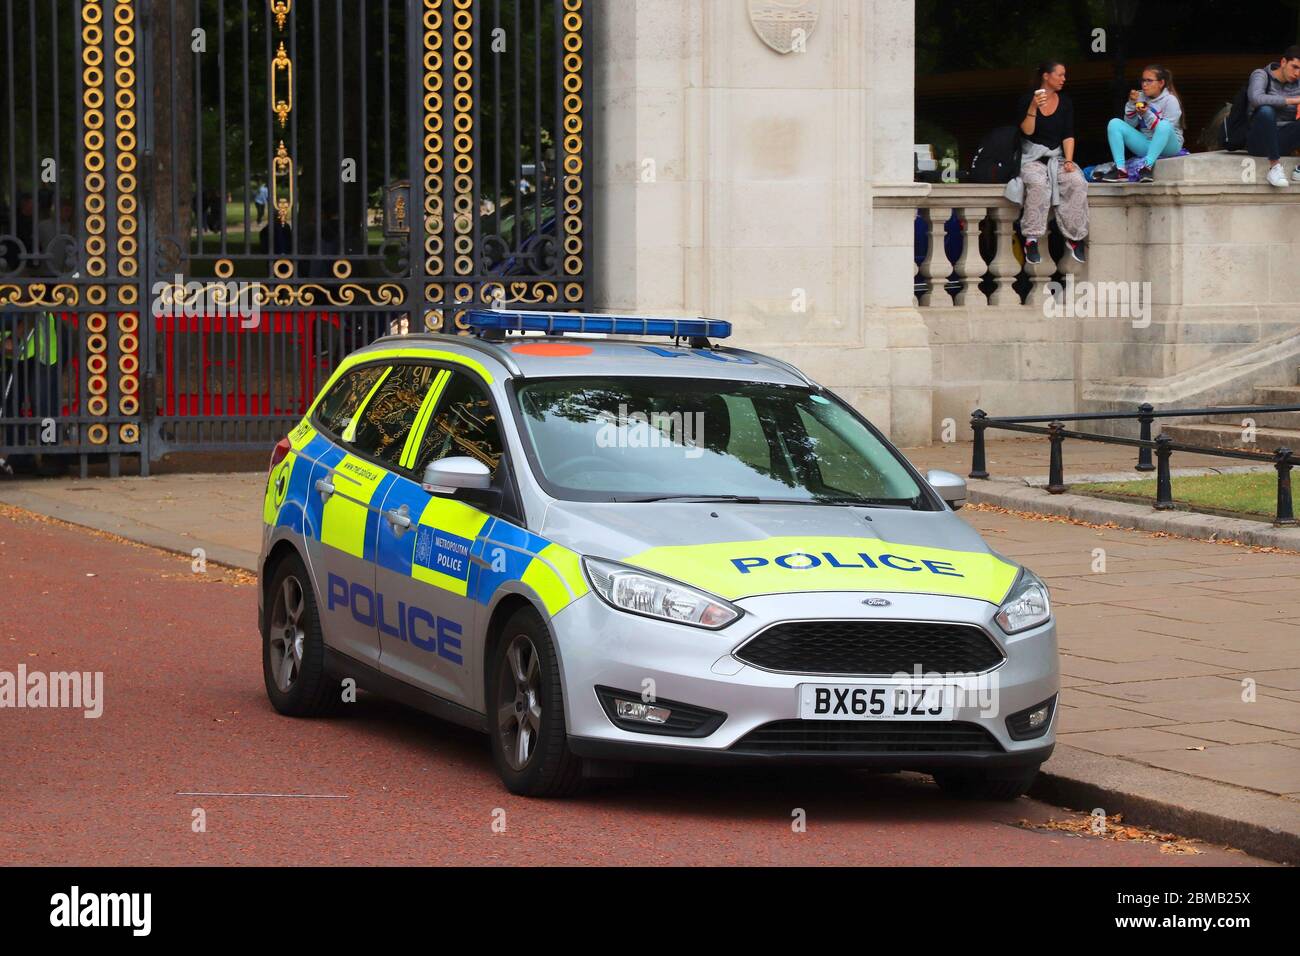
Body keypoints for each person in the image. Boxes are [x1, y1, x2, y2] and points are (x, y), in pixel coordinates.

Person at [1008, 60, 1088, 265]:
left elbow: (1068, 134)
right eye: (1059, 75)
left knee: (1076, 181)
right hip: (1032, 158)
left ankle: (1074, 237)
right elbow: (1027, 131)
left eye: (1064, 75)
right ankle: (1032, 239)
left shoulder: (1066, 102)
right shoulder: (1027, 99)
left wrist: (1069, 160)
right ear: (1046, 76)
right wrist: (1033, 106)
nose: (1063, 79)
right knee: (1038, 184)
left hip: (1057, 157)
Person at [1100, 65, 1184, 183]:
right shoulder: (1139, 97)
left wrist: (1146, 114)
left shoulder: (1170, 100)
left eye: (1149, 81)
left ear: (1161, 83)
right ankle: (1120, 170)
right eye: (1143, 80)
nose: (1144, 84)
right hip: (1146, 143)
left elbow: (1162, 130)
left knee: (1164, 124)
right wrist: (1131, 103)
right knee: (1114, 123)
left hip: (1169, 146)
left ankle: (1147, 167)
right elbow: (1130, 124)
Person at [1246, 45, 1300, 187]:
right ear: (1283, 62)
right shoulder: (1261, 75)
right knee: (1266, 110)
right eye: (1294, 67)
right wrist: (1293, 101)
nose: (1297, 73)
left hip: (1284, 140)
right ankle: (1274, 167)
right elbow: (1256, 98)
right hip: (1259, 141)